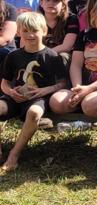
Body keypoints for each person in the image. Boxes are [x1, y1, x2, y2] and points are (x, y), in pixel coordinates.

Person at [0, 11, 66, 171]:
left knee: (34, 112)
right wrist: (11, 92)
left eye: (34, 30)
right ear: (18, 32)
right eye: (25, 31)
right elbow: (4, 83)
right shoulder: (13, 56)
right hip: (16, 97)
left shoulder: (51, 56)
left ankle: (14, 154)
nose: (30, 35)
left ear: (44, 31)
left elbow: (63, 83)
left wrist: (45, 90)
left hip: (39, 98)